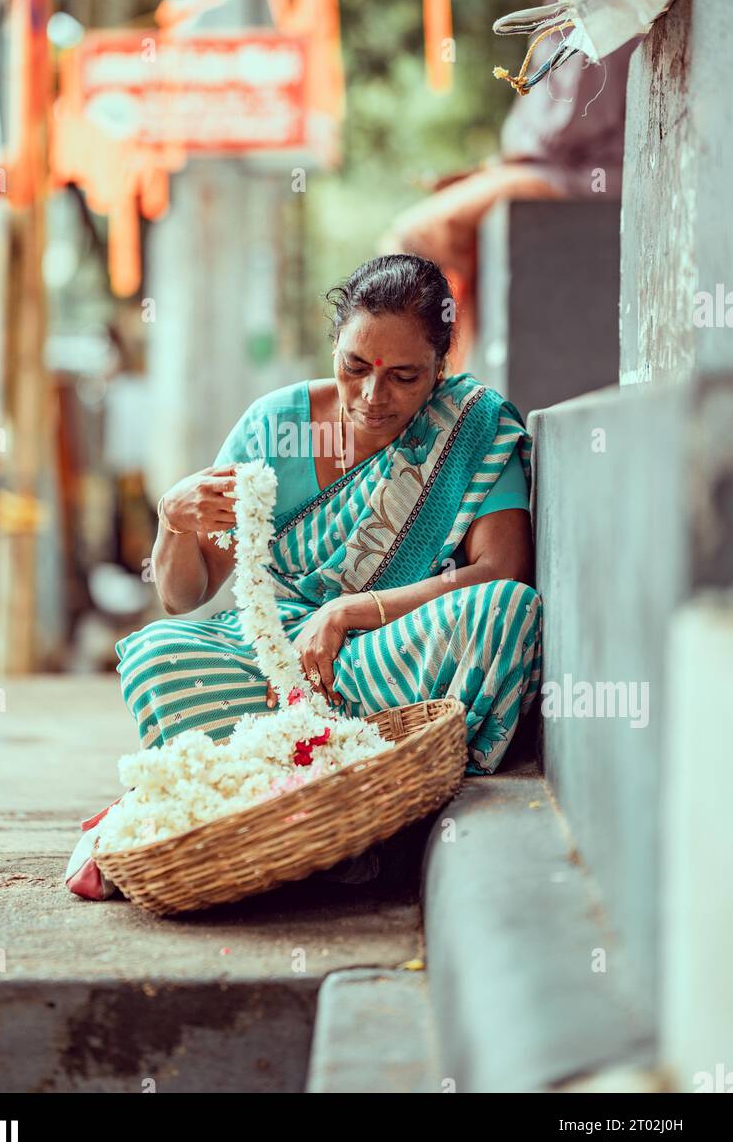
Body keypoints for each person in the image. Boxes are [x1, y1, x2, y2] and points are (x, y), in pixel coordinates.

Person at [115, 254, 542, 781]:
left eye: (405, 377)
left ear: (439, 368)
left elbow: (503, 570)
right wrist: (172, 522)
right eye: (355, 367)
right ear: (334, 347)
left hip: (391, 650)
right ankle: (336, 747)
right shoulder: (274, 427)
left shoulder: (470, 427)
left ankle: (307, 755)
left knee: (505, 610)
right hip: (275, 655)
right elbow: (183, 596)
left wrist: (345, 612)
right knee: (159, 654)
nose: (372, 397)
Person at [379, 0, 639, 369]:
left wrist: (496, 167)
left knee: (411, 239)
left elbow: (566, 124)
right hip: (558, 166)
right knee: (463, 251)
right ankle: (453, 389)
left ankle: (404, 374)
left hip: (590, 173)